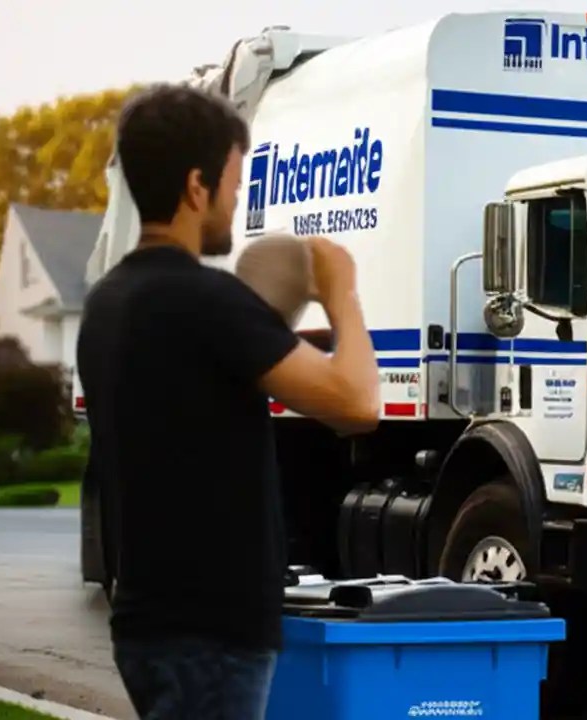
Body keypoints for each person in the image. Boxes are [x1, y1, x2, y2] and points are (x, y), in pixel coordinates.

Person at [76, 83, 381, 720]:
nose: (235, 206)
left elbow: (198, 387)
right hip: (210, 630)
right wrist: (340, 292)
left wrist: (277, 333)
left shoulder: (110, 302)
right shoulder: (203, 300)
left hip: (148, 620)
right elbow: (357, 403)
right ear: (197, 187)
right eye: (235, 187)